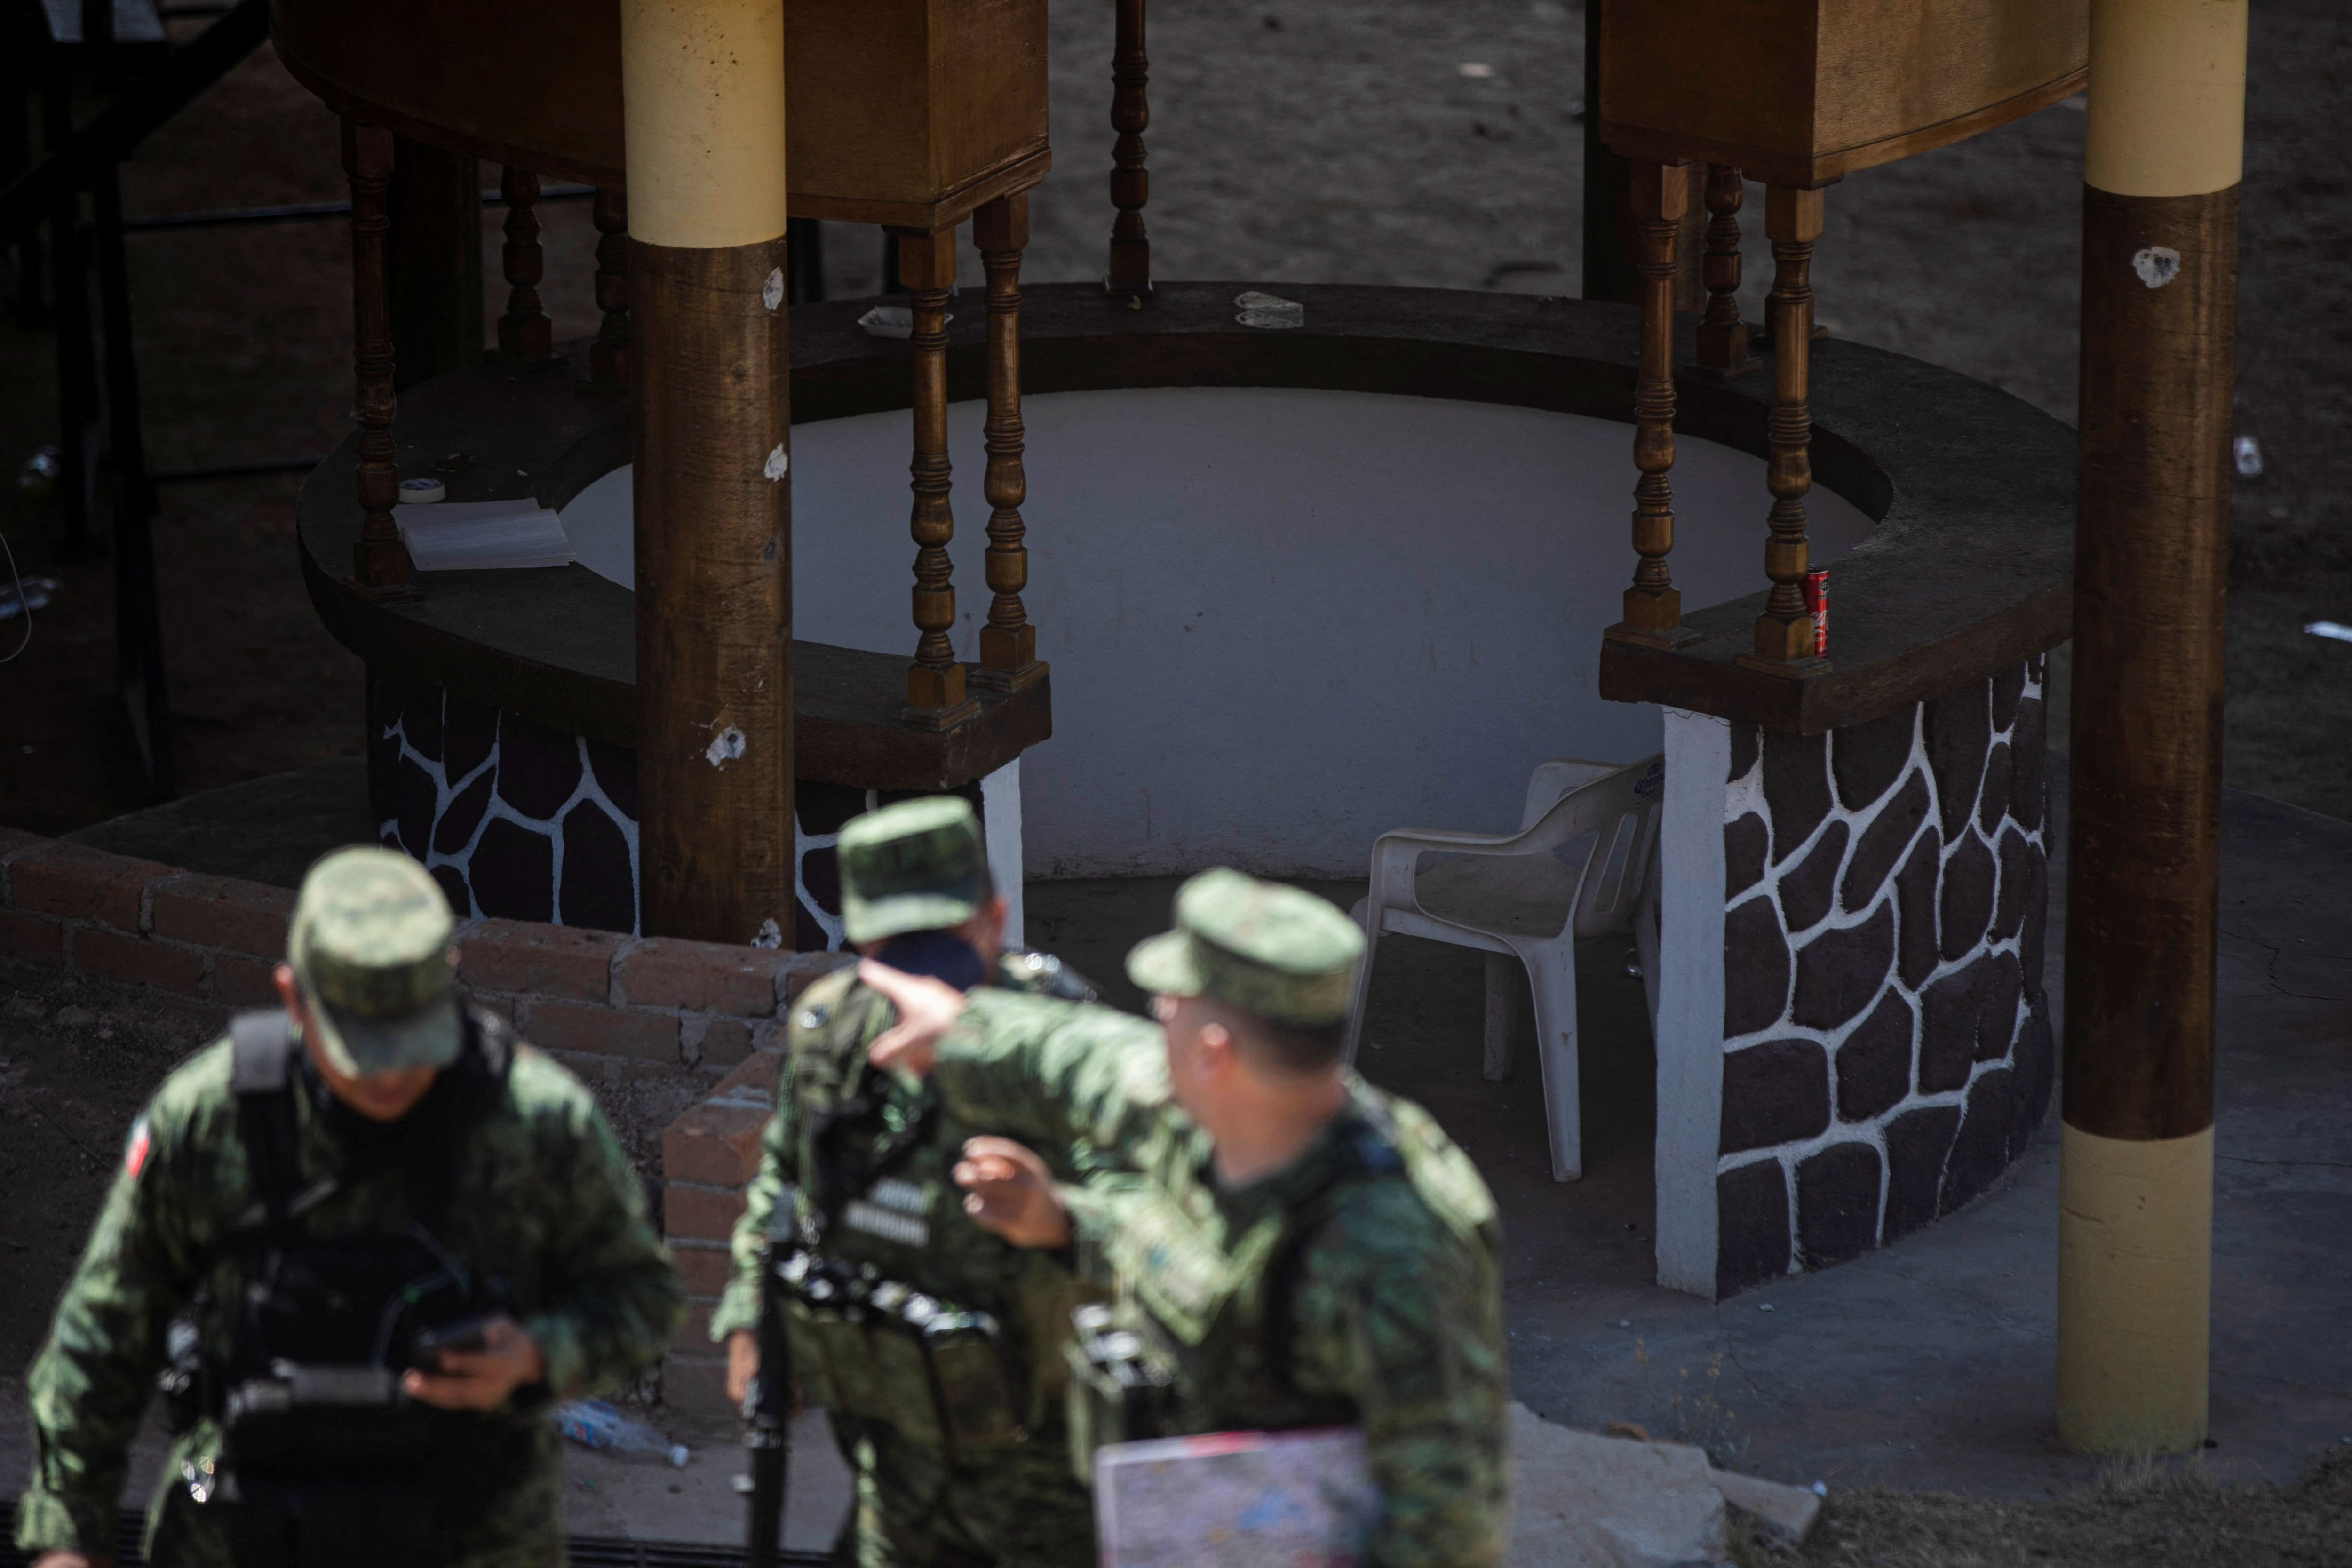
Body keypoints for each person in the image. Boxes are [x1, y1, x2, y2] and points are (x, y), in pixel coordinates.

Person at [16, 847, 684, 1568]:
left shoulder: (537, 1119)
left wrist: (536, 1355)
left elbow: (642, 1298)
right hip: (244, 1526)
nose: (388, 1076)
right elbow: (104, 1326)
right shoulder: (213, 1116)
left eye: (411, 1039)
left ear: (449, 980)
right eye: (360, 1047)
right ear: (293, 996)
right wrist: (70, 1533)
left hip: (476, 1536)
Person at [858, 868, 1511, 1568]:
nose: (1158, 1017)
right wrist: (964, 1032)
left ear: (1213, 1054)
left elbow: (1449, 1528)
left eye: (1172, 1004)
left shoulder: (1395, 1252)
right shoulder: (1238, 1104)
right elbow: (1090, 1056)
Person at [713, 795, 1101, 1568]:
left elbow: (1157, 1217)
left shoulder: (1063, 1041)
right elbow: (782, 1179)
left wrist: (1062, 1217)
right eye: (895, 943)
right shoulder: (834, 1031)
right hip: (891, 1453)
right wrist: (752, 1318)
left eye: (945, 935)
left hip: (1045, 1476)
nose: (921, 965)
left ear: (994, 920)